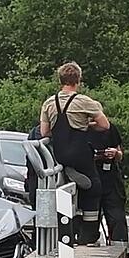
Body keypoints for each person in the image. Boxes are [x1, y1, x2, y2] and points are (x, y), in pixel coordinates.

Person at [39, 62, 111, 244]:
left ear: (60, 80)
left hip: (60, 154)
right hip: (80, 154)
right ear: (78, 80)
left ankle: (68, 229)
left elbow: (44, 132)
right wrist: (87, 125)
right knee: (94, 188)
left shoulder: (49, 103)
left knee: (66, 191)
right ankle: (89, 235)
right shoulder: (84, 101)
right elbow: (105, 125)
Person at [88, 121, 127, 247]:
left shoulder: (110, 128)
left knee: (117, 217)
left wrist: (115, 153)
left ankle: (122, 252)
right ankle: (90, 244)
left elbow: (120, 154)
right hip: (90, 177)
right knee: (90, 217)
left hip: (110, 176)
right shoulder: (81, 130)